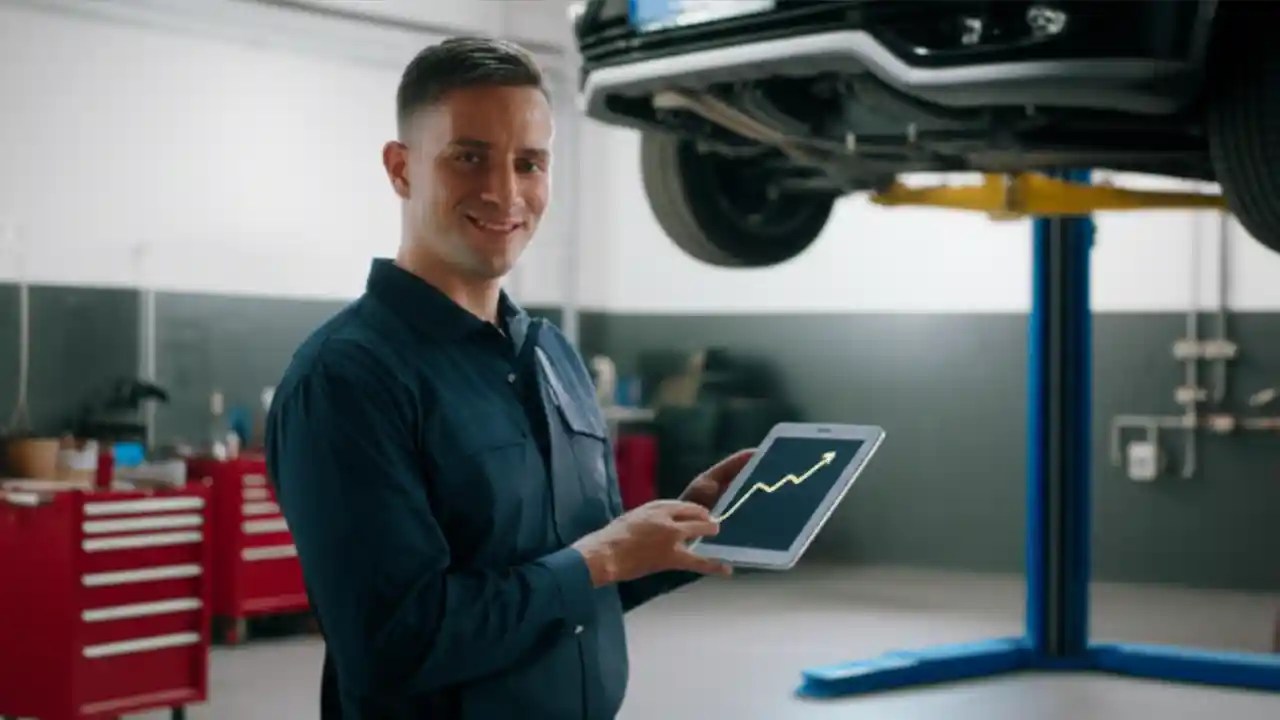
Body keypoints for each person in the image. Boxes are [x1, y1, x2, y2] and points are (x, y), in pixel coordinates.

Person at [265, 36, 753, 720]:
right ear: (401, 169)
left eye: (530, 163)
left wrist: (668, 538)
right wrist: (596, 562)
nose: (505, 192)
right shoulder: (346, 379)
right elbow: (391, 643)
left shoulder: (553, 355)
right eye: (469, 157)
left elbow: (576, 581)